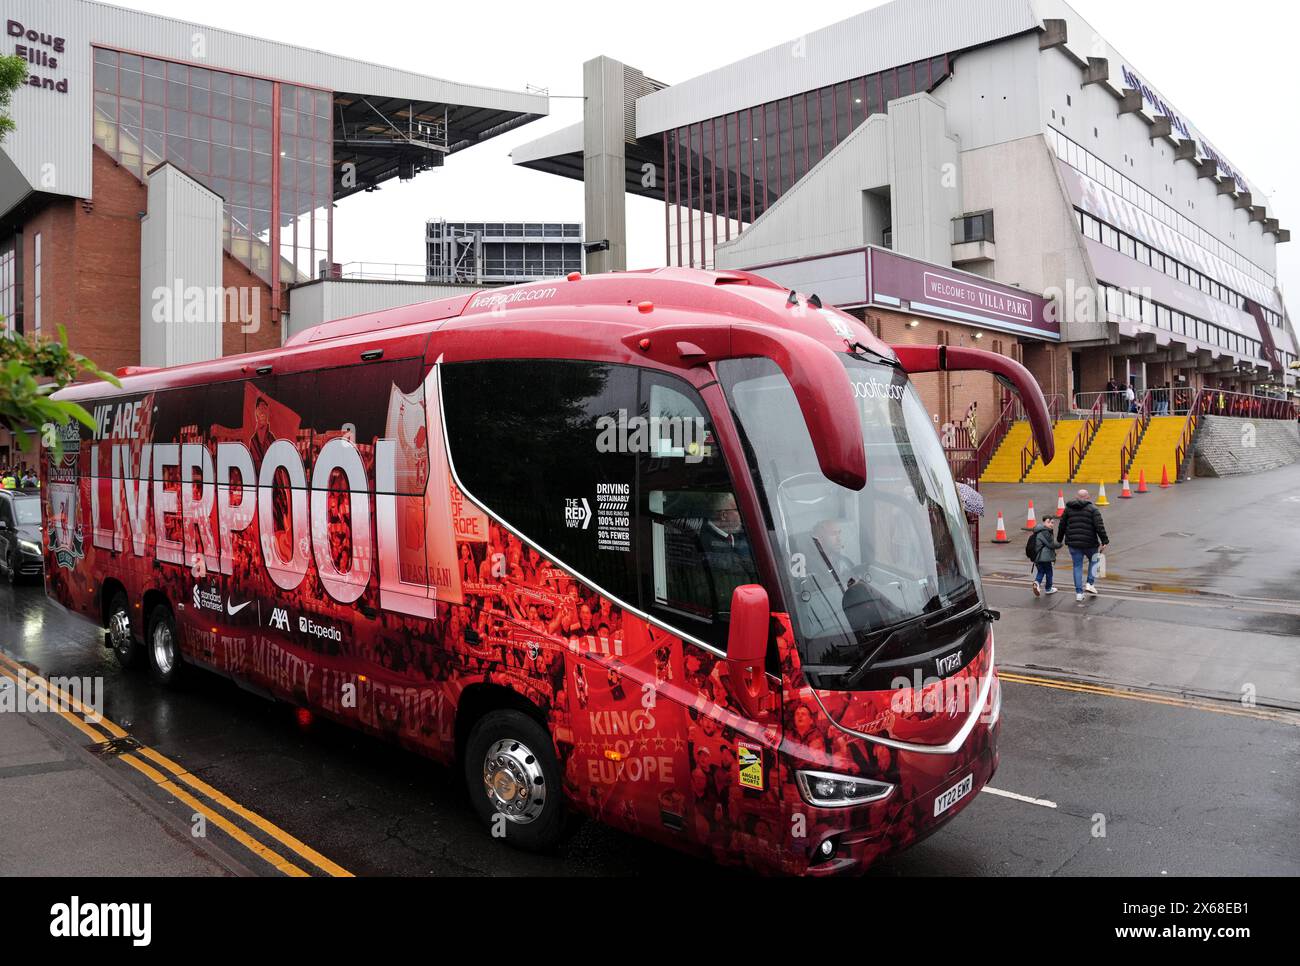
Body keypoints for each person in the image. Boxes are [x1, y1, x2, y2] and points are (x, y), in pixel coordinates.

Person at [1058, 489, 1108, 601]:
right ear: (1088, 497)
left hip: (1073, 543)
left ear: (1077, 497)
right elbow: (1099, 526)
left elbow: (1062, 525)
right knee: (1095, 560)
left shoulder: (1068, 509)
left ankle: (1079, 593)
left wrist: (1059, 539)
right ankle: (1090, 583)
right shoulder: (1093, 509)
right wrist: (1104, 541)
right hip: (1090, 543)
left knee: (1077, 566)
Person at [1028, 514, 1063, 597]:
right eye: (1049, 522)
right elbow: (1051, 544)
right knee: (1049, 573)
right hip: (1045, 557)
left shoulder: (1038, 531)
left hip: (1037, 557)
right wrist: (1061, 544)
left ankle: (1036, 583)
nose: (1051, 524)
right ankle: (1048, 588)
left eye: (1052, 522)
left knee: (1041, 571)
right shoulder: (1045, 532)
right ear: (1044, 522)